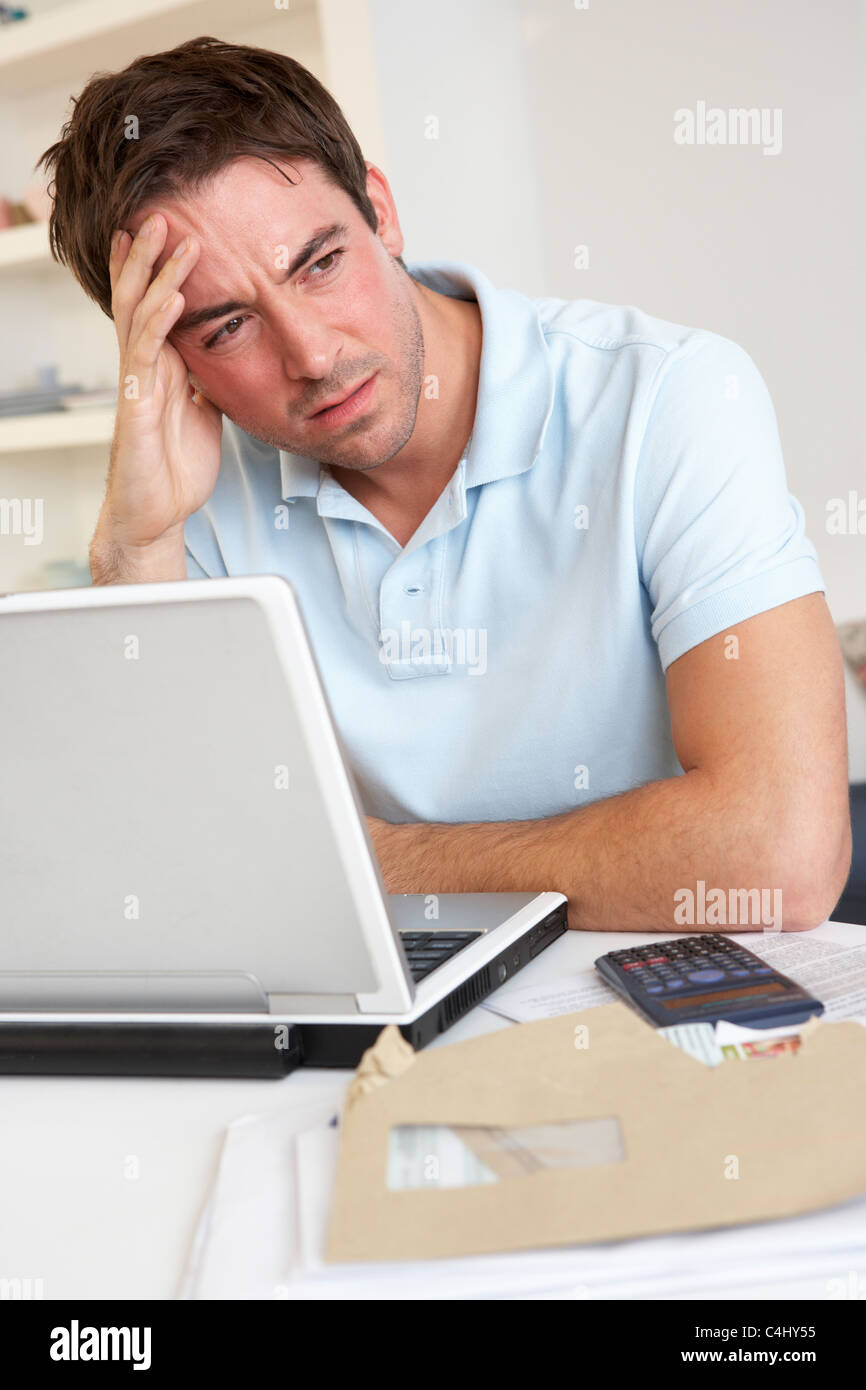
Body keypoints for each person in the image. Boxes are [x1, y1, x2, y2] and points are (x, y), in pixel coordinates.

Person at [38, 36, 851, 932]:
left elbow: (782, 853)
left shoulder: (667, 396)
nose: (311, 355)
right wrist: (138, 547)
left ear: (380, 213)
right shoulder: (193, 495)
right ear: (168, 360)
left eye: (318, 264)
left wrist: (373, 864)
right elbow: (156, 878)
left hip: (655, 1000)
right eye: (227, 327)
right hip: (382, 1014)